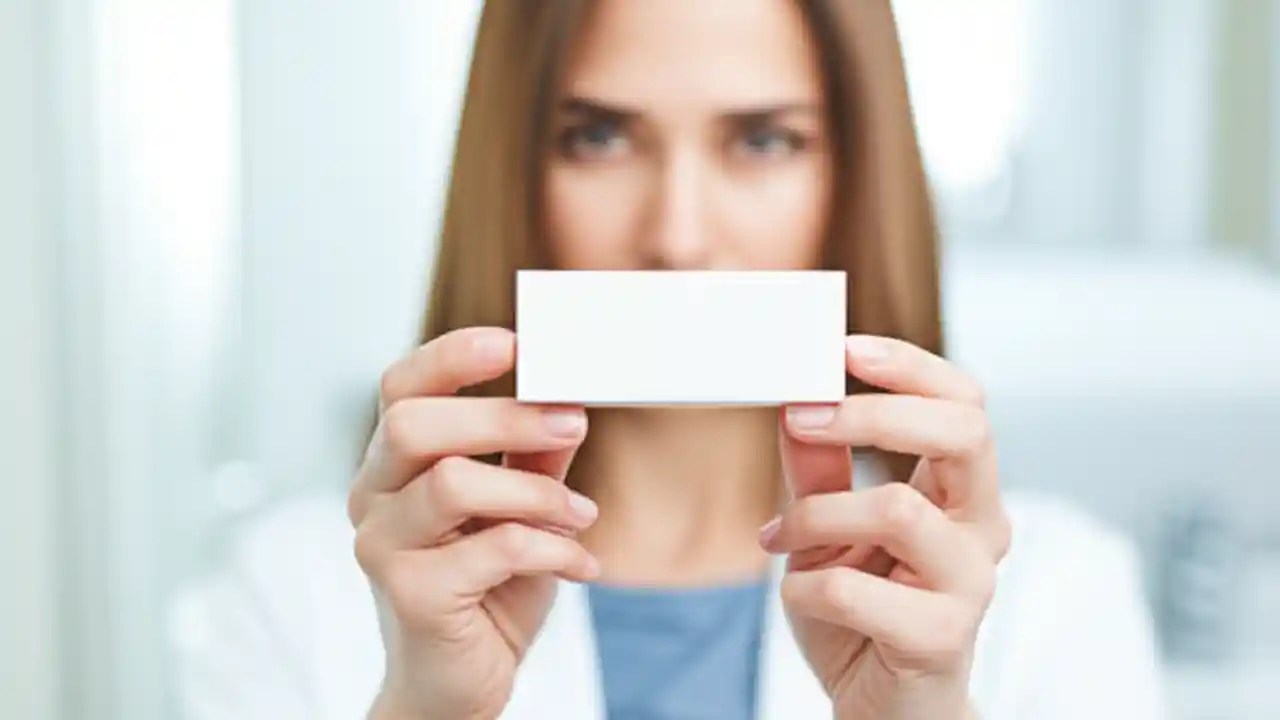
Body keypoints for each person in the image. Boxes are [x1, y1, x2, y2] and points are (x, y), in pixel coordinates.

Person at [173, 1, 1167, 718]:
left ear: (851, 172)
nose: (679, 236)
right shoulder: (291, 590)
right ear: (513, 164)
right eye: (599, 137)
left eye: (764, 141)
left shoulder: (1054, 597)